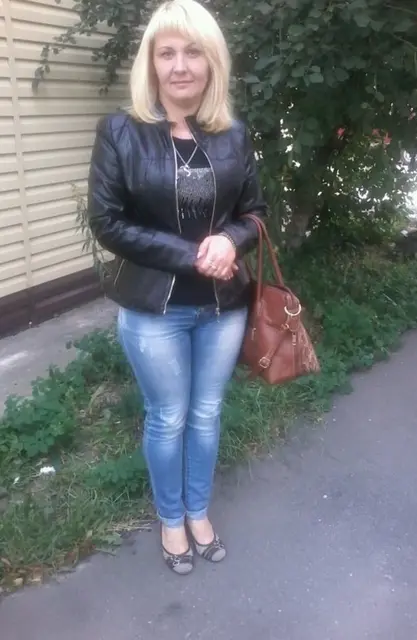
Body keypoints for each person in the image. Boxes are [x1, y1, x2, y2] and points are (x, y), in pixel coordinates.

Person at [87, 0, 266, 575]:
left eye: (193, 52)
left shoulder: (233, 134)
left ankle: (198, 510)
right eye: (166, 53)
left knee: (206, 413)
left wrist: (232, 240)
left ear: (212, 62)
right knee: (168, 417)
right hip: (153, 310)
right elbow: (107, 222)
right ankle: (171, 519)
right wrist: (193, 255)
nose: (180, 65)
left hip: (222, 307)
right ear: (151, 62)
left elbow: (255, 213)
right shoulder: (121, 132)